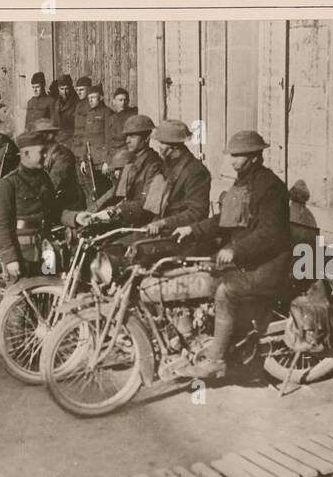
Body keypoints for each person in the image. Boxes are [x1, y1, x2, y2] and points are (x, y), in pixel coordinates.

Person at [171, 130, 293, 380]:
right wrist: (193, 229)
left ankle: (216, 360)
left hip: (268, 264)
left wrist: (235, 249)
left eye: (239, 156)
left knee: (226, 293)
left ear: (255, 157)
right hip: (246, 260)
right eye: (232, 156)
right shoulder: (241, 183)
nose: (234, 161)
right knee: (194, 277)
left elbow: (271, 233)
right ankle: (196, 339)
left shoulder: (271, 187)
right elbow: (223, 219)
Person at [0, 131, 90, 282]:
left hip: (47, 250)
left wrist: (76, 217)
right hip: (22, 254)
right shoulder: (8, 185)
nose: (45, 156)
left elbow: (54, 211)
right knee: (20, 294)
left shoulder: (44, 179)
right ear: (26, 154)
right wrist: (10, 259)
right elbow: (0, 225)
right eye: (41, 152)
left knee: (51, 289)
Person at [144, 119, 212, 238]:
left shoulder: (195, 171)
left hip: (181, 235)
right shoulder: (168, 165)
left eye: (162, 143)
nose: (158, 146)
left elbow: (197, 212)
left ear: (174, 145)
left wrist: (164, 223)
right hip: (160, 229)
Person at [113, 114, 164, 225]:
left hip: (143, 221)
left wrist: (118, 209)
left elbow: (146, 203)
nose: (127, 141)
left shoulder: (154, 164)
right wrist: (93, 211)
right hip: (127, 216)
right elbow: (115, 193)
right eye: (127, 136)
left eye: (132, 136)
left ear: (146, 138)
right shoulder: (131, 161)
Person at [30, 117, 83, 211]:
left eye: (36, 135)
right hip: (48, 202)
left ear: (49, 136)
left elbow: (52, 184)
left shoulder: (63, 155)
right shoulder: (41, 154)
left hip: (67, 207)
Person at [55, 74, 80, 147]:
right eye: (62, 89)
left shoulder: (77, 102)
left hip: (72, 140)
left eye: (67, 89)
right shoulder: (56, 103)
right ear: (58, 89)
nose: (64, 92)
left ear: (71, 88)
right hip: (58, 140)